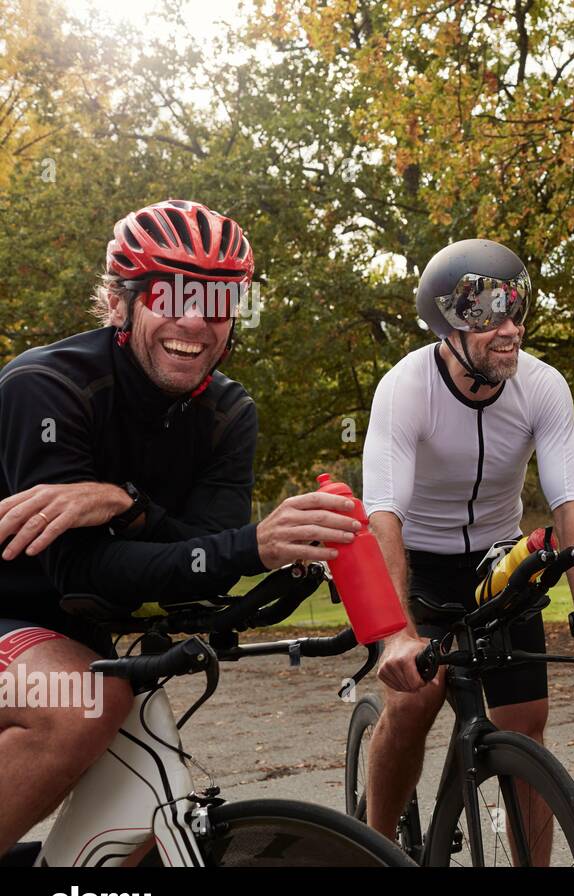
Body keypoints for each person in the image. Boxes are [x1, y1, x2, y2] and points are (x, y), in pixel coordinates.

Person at [0, 199, 361, 854]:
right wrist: (244, 544)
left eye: (217, 300)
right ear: (120, 302)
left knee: (133, 796)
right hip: (17, 614)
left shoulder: (228, 412)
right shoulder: (44, 387)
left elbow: (203, 565)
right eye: (170, 294)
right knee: (80, 704)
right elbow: (84, 571)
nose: (194, 320)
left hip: (78, 631)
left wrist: (127, 504)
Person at [360, 239, 574, 859]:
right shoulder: (405, 389)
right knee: (414, 698)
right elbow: (384, 518)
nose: (510, 329)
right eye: (490, 316)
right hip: (416, 565)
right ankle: (373, 844)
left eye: (517, 310)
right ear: (446, 326)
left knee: (525, 724)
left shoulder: (543, 386)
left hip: (496, 564)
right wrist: (397, 635)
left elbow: (570, 507)